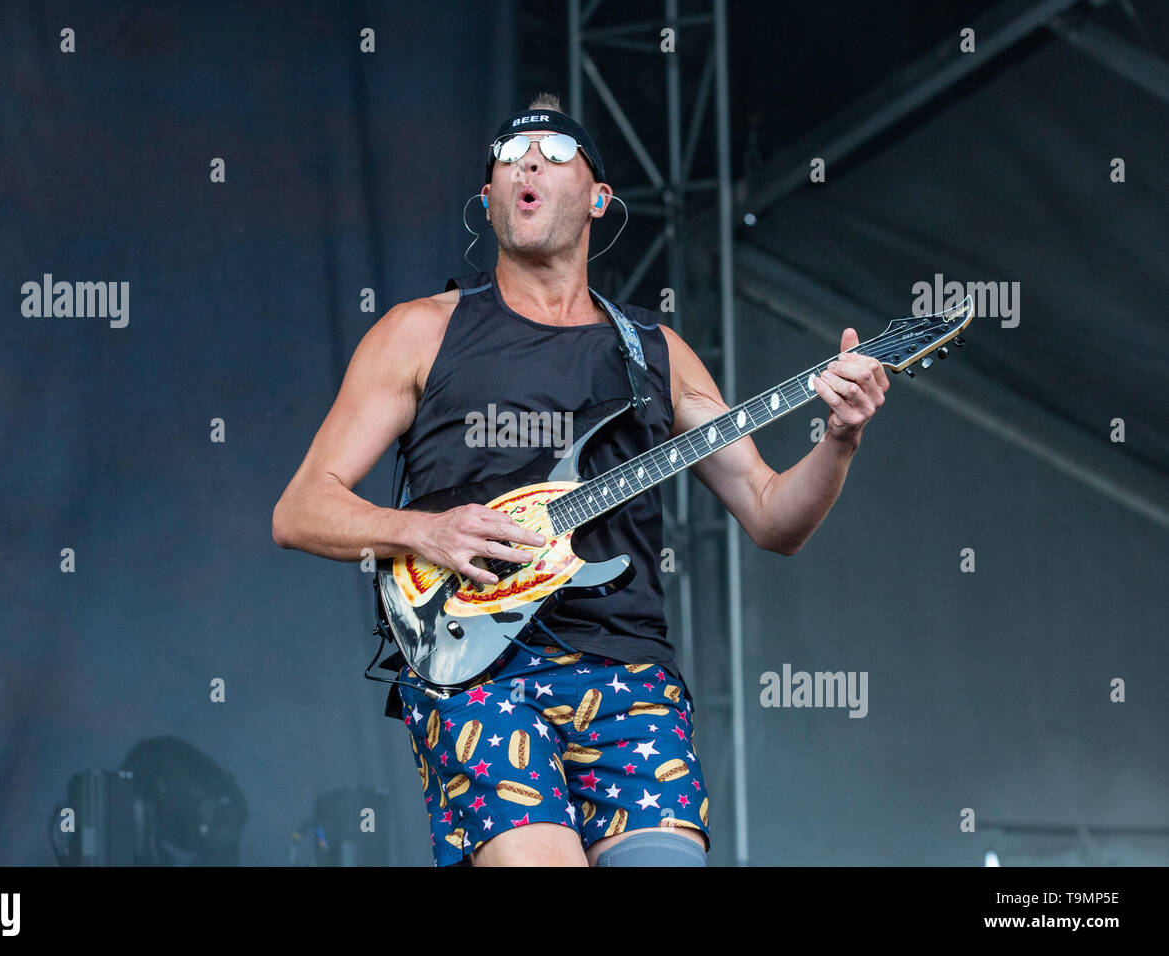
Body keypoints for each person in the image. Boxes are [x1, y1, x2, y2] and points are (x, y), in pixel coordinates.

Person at [272, 94, 888, 866]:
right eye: (508, 153)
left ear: (598, 198)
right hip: (478, 667)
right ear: (490, 196)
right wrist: (423, 529)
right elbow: (300, 509)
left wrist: (840, 439)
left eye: (555, 151)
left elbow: (773, 517)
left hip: (629, 672)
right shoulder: (421, 331)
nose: (529, 160)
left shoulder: (655, 351)